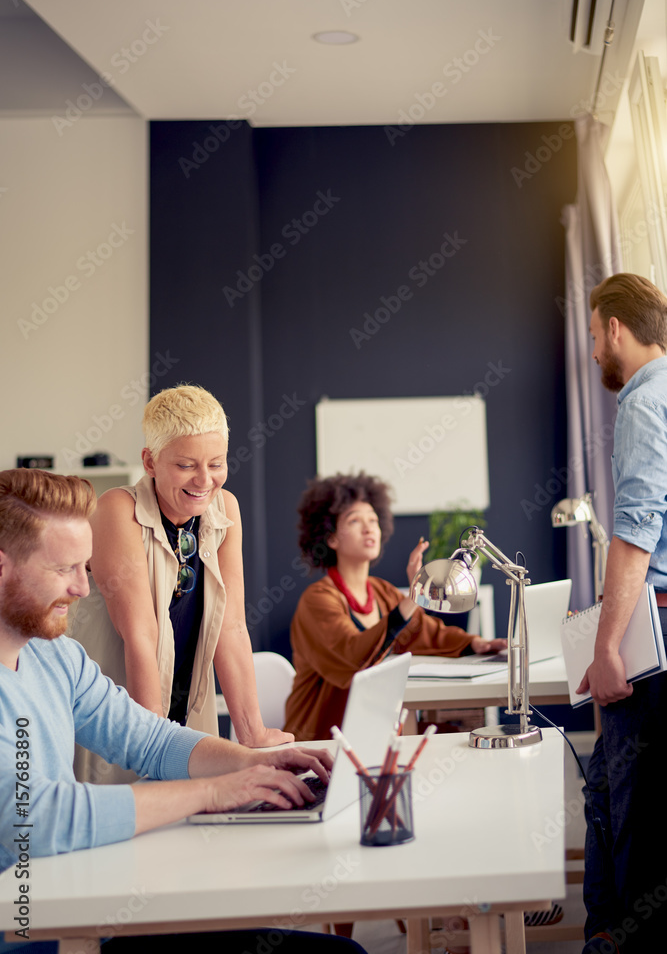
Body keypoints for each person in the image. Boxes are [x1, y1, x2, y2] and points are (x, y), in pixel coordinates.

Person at [0, 468, 366, 954]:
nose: (82, 589)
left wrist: (252, 763)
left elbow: (148, 740)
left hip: (80, 915)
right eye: (62, 569)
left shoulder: (54, 655)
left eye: (83, 568)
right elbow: (37, 819)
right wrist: (211, 793)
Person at [69, 384, 292, 784]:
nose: (205, 480)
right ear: (150, 462)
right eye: (186, 465)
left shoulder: (225, 509)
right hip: (124, 719)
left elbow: (232, 626)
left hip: (189, 709)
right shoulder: (117, 510)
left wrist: (252, 734)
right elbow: (141, 634)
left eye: (217, 463)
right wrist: (153, 747)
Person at [578, 273, 667, 954]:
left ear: (613, 327)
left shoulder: (642, 402)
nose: (592, 352)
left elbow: (635, 530)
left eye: (591, 335)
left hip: (653, 633)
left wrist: (607, 647)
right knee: (610, 791)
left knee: (631, 809)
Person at [284, 472, 506, 741]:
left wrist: (475, 644)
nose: (369, 529)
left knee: (458, 739)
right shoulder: (317, 600)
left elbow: (425, 633)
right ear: (330, 538)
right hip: (324, 743)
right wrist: (415, 594)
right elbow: (353, 659)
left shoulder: (382, 592)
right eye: (354, 521)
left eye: (373, 521)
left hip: (374, 730)